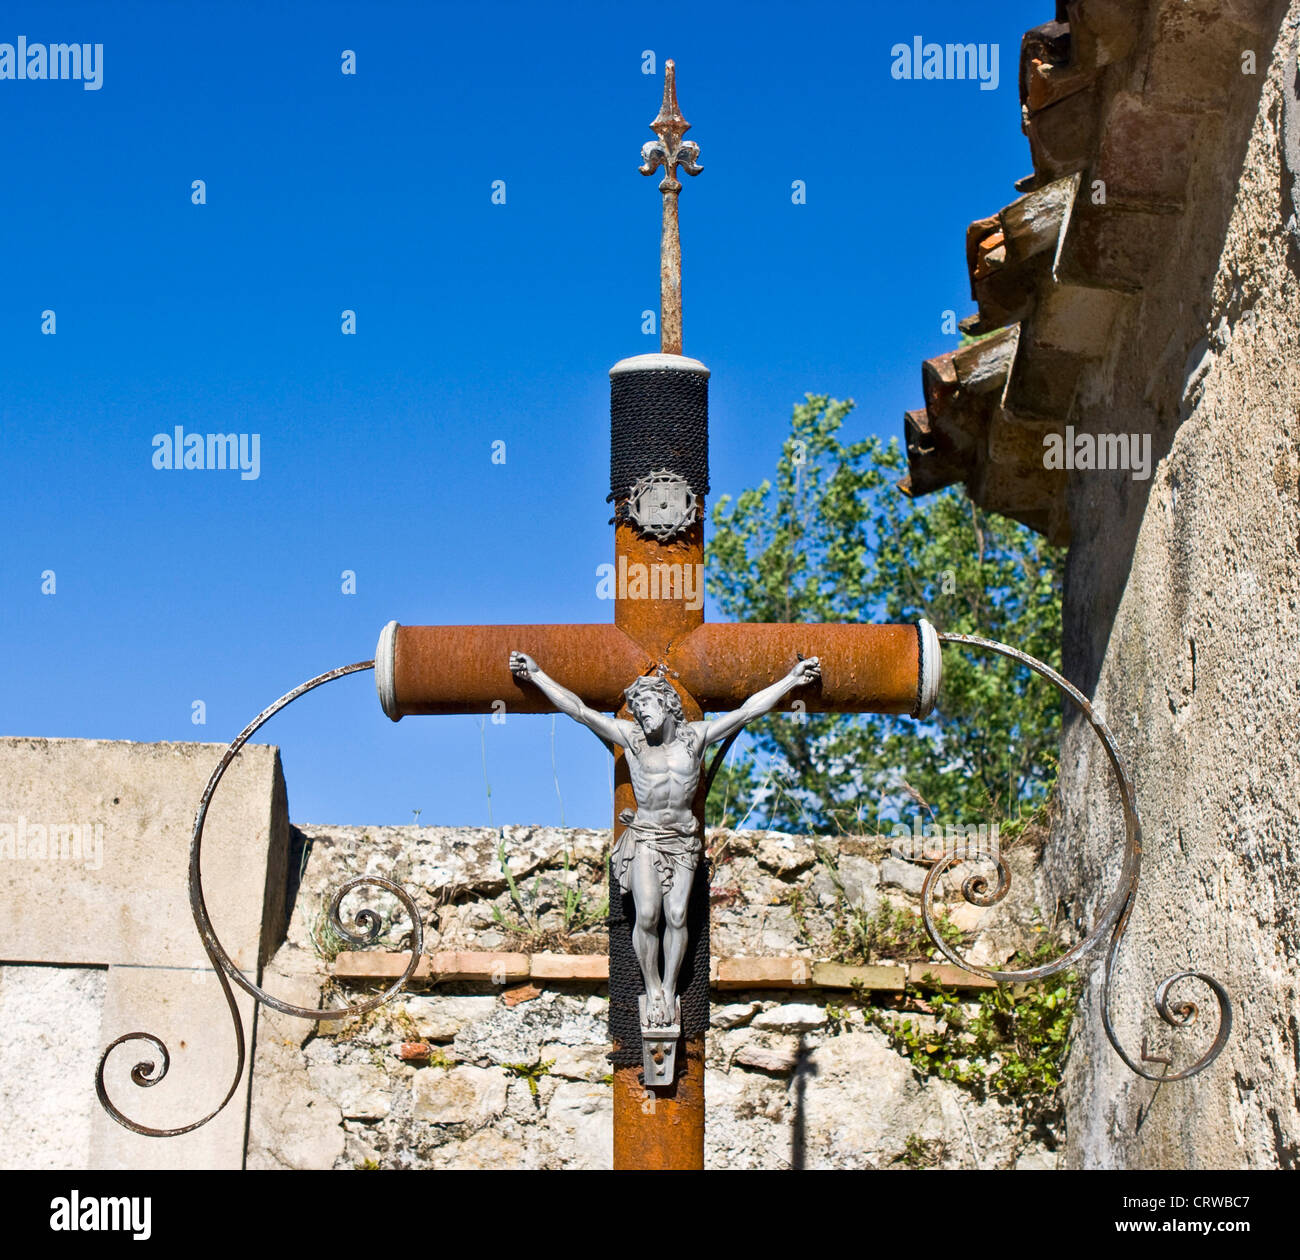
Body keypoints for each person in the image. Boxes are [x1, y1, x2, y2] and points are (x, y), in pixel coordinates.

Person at [508, 651, 821, 1028]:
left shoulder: (697, 737)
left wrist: (792, 680)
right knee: (648, 914)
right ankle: (652, 986)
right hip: (645, 837)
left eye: (646, 705)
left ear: (668, 704)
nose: (640, 713)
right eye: (636, 707)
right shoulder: (632, 738)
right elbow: (579, 710)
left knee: (676, 915)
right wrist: (539, 676)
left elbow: (748, 711)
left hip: (683, 841)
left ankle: (670, 989)